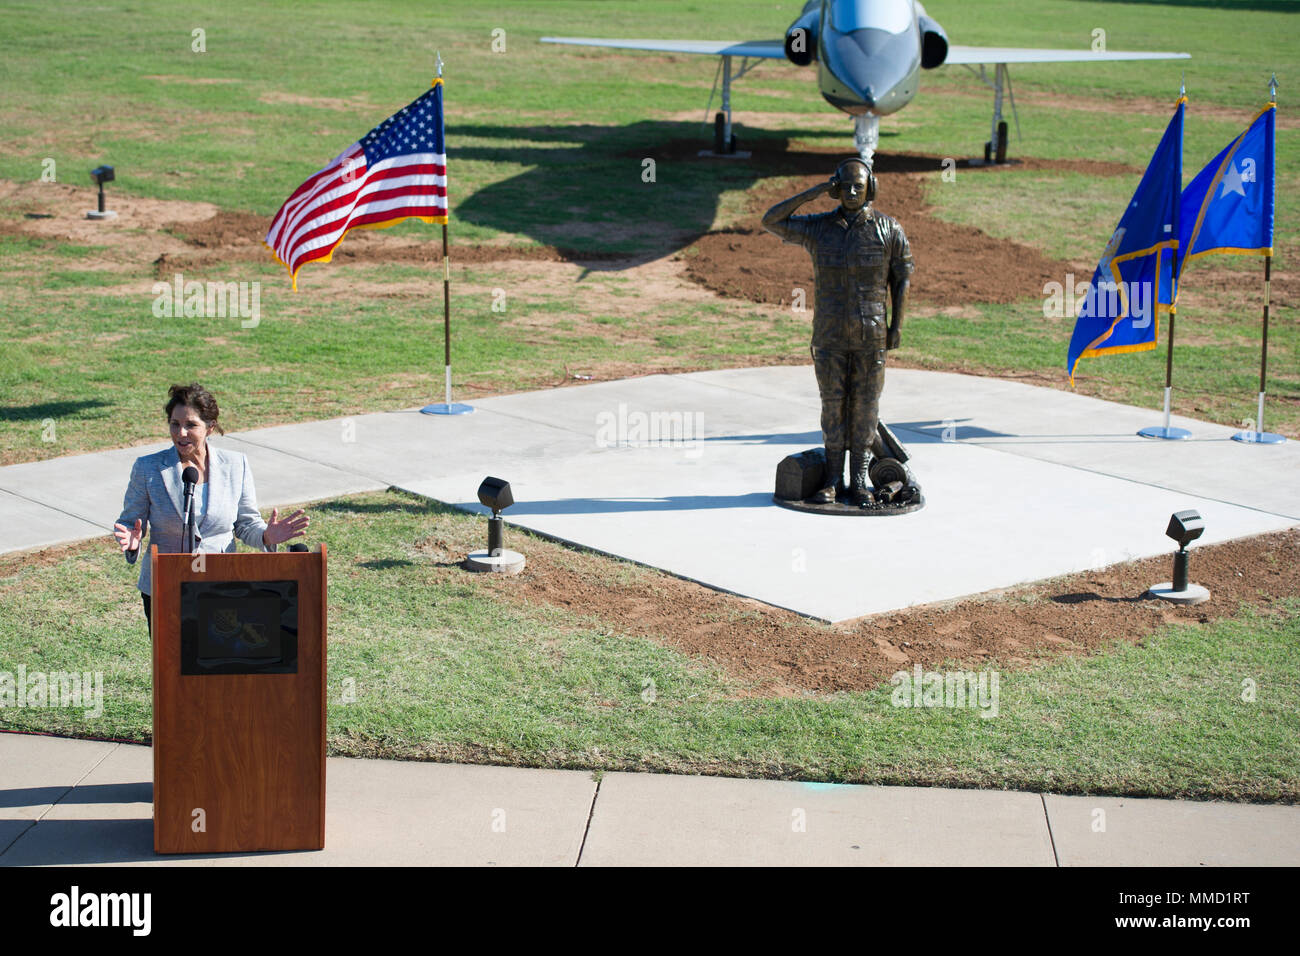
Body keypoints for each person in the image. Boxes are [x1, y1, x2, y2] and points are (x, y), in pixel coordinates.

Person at [762, 158, 913, 504]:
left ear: (870, 188)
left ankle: (859, 478)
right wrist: (815, 192)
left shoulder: (889, 229)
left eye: (859, 186)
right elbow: (771, 221)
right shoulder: (819, 228)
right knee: (832, 407)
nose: (852, 192)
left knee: (865, 407)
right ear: (835, 187)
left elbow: (902, 279)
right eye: (844, 186)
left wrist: (897, 325)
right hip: (829, 336)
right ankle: (833, 478)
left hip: (871, 335)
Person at [112, 383, 309, 629]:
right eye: (175, 424)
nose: (181, 433)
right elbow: (130, 522)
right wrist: (133, 540)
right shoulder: (148, 468)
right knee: (170, 666)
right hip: (165, 587)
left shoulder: (236, 465)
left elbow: (246, 523)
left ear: (210, 427)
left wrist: (267, 536)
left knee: (218, 663)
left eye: (191, 425)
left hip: (222, 587)